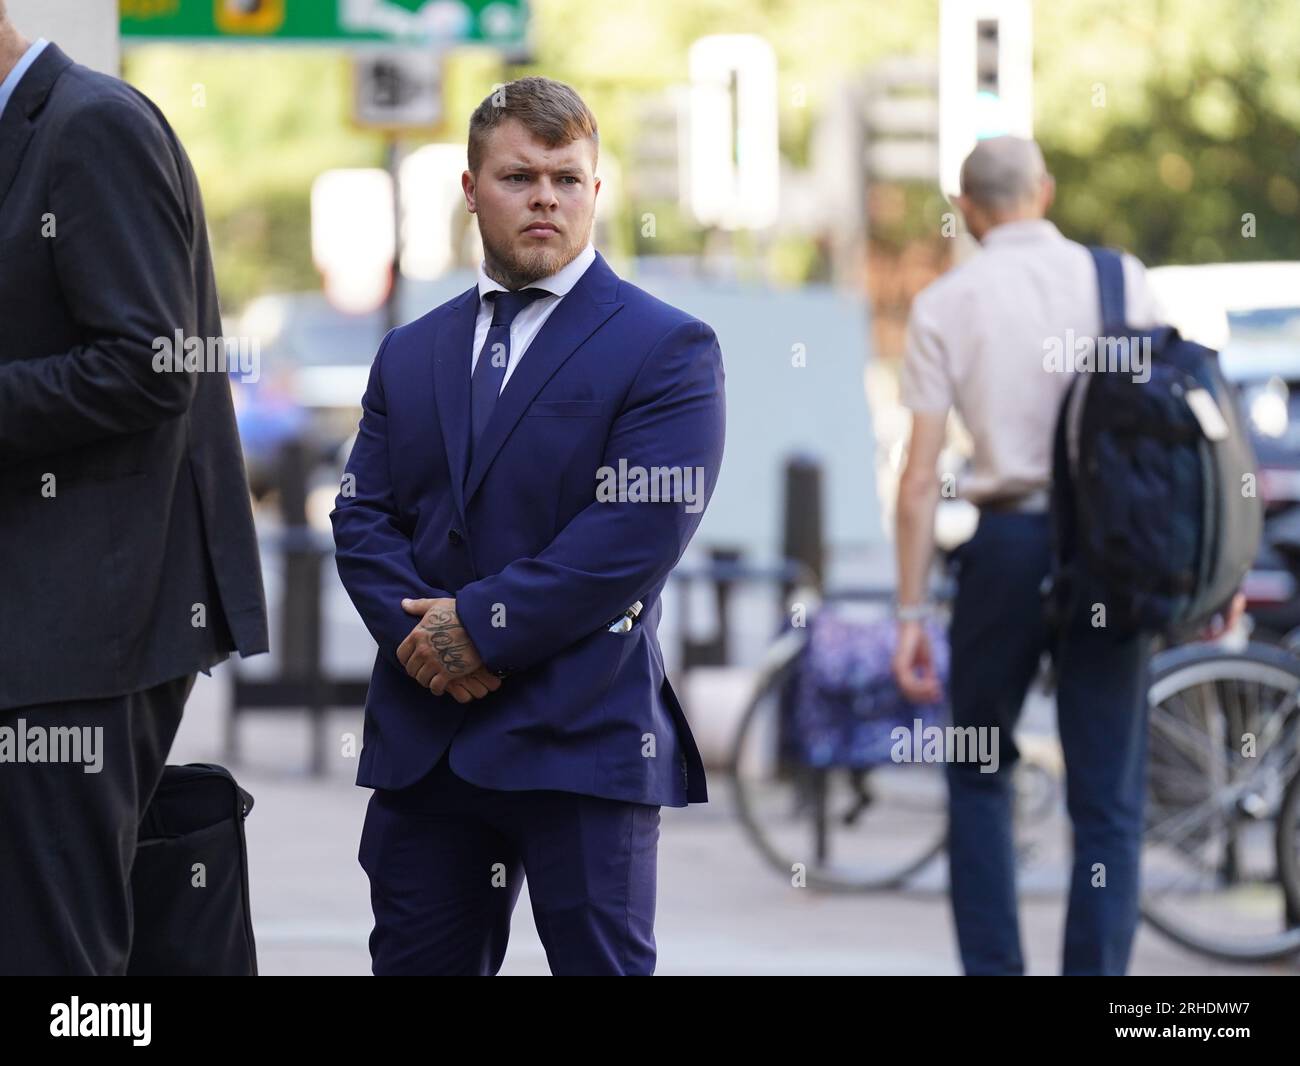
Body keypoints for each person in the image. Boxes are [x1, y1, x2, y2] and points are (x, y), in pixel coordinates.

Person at [331, 76, 726, 976]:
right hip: (426, 740)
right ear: (471, 190)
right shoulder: (412, 348)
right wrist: (428, 642)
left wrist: (478, 629)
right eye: (519, 177)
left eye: (568, 177)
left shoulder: (667, 346)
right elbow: (362, 518)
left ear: (596, 189)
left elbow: (632, 534)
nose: (546, 196)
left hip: (580, 737)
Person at [0, 7, 269, 975]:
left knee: (52, 955)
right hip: (48, 637)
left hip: (79, 641)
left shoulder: (90, 125)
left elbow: (150, 362)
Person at [891, 136, 1175, 975]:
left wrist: (910, 613)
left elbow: (917, 481)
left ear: (967, 210)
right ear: (1044, 192)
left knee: (978, 771)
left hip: (1007, 548)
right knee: (1109, 799)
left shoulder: (946, 302)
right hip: (1114, 550)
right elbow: (1171, 444)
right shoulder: (1122, 280)